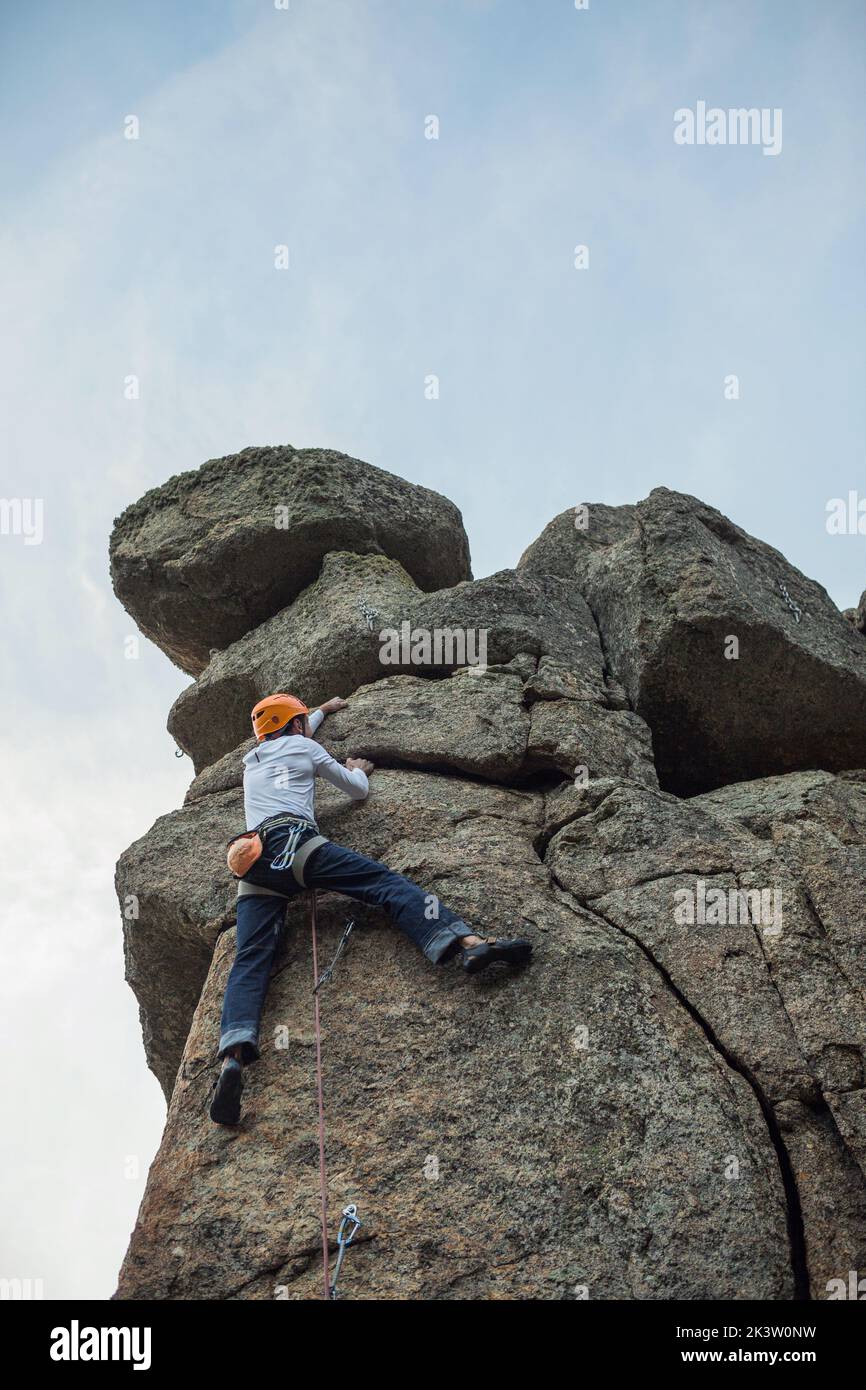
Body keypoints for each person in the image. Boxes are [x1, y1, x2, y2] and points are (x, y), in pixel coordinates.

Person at [209, 691, 532, 1124]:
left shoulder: (253, 763)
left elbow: (290, 735)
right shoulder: (306, 745)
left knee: (249, 959)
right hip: (298, 846)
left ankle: (232, 1057)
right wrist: (355, 769)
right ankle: (468, 942)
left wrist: (321, 712)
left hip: (254, 860)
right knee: (383, 885)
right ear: (297, 727)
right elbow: (356, 790)